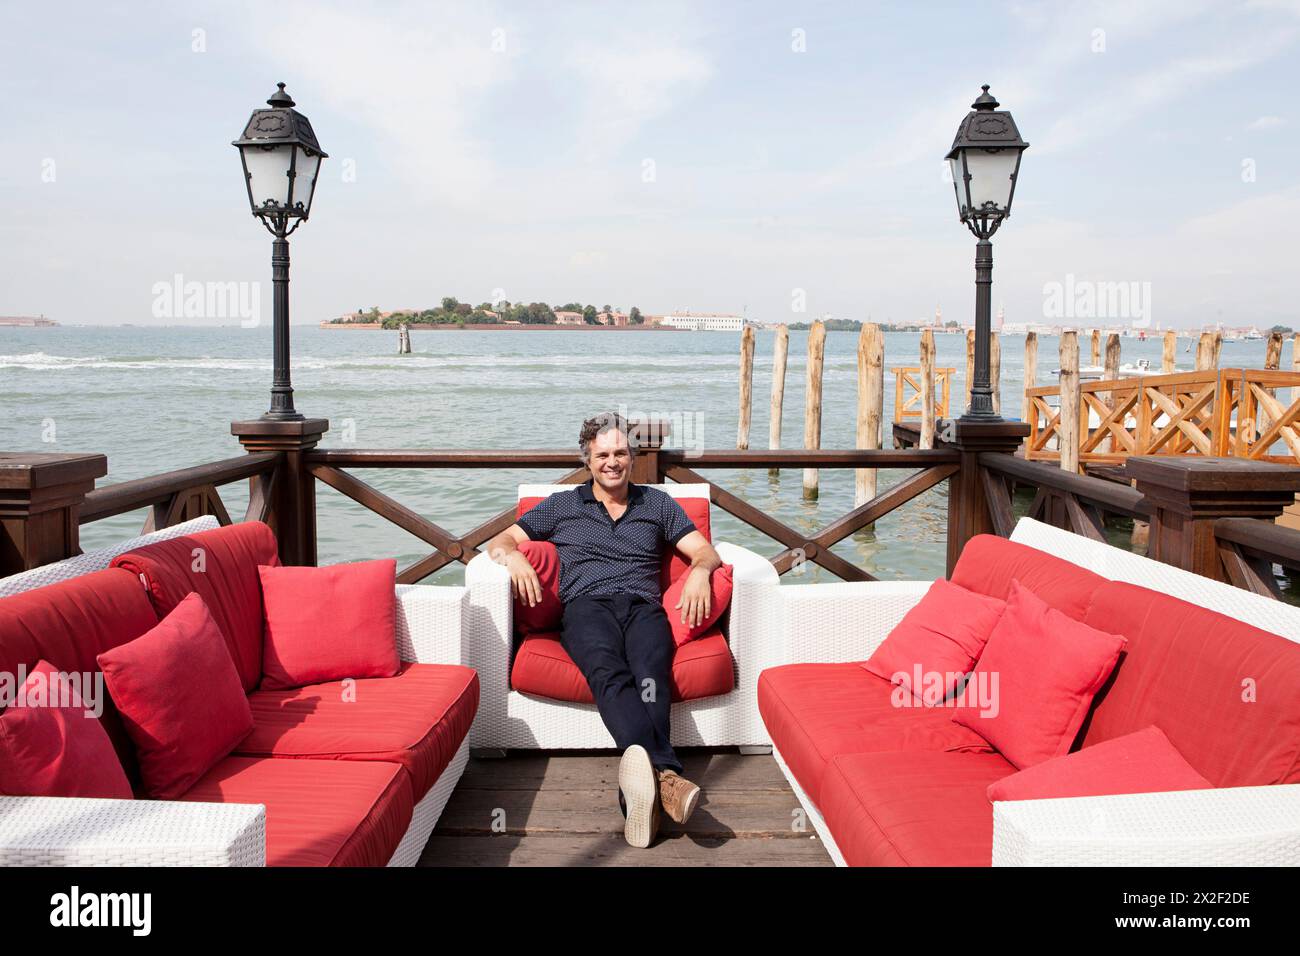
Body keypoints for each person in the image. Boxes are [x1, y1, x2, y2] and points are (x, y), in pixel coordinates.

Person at [485, 412, 724, 848]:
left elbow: (705, 552)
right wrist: (514, 557)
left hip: (643, 608)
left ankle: (644, 798)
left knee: (650, 675)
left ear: (631, 456)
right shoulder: (563, 505)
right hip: (586, 609)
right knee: (607, 671)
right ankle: (667, 776)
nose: (612, 462)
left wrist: (700, 572)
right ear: (588, 460)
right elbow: (499, 542)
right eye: (602, 455)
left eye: (620, 453)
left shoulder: (657, 505)